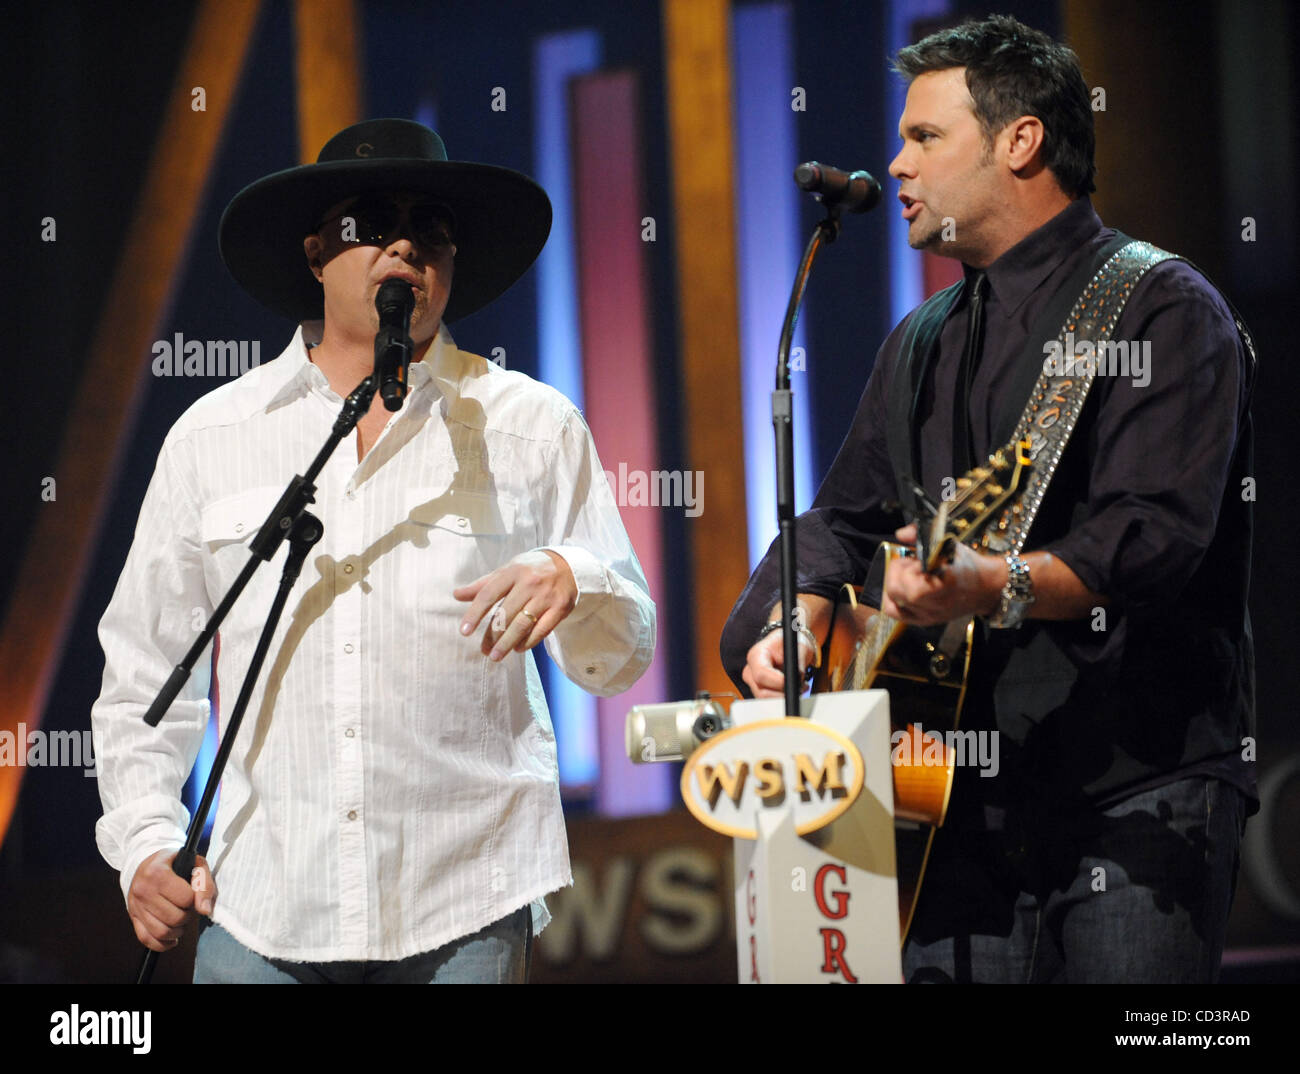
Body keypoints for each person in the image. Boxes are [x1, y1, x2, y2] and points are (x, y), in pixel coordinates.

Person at [720, 16, 1254, 983]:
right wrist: (793, 619)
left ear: (1021, 141)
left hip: (1136, 789)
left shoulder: (1160, 308)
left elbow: (1155, 536)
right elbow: (839, 521)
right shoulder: (920, 339)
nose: (896, 161)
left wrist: (991, 584)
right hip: (945, 802)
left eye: (925, 137)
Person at [91, 119, 655, 983]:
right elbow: (143, 673)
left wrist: (574, 578)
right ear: (317, 252)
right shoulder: (213, 436)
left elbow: (620, 658)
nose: (403, 245)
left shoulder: (531, 426)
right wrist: (145, 844)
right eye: (368, 224)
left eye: (430, 229)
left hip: (465, 894)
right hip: (262, 897)